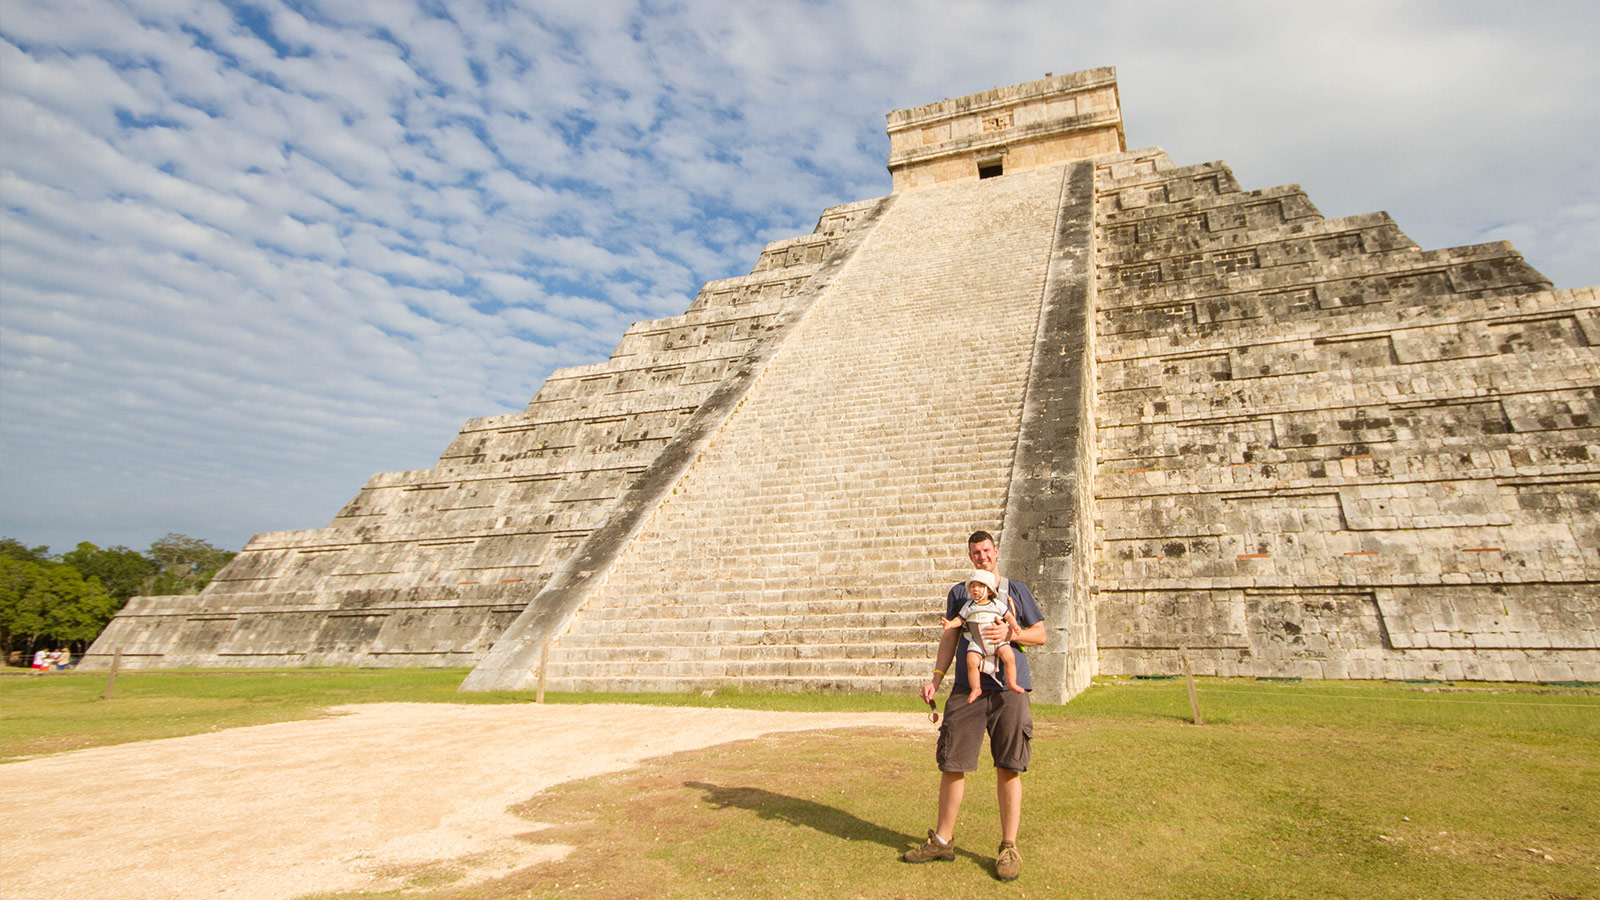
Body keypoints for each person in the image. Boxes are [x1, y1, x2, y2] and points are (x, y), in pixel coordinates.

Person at [903, 530, 1045, 882]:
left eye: (986, 551)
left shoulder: (1015, 591)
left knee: (1009, 765)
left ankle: (1009, 846)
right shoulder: (960, 593)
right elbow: (950, 637)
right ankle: (942, 840)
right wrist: (936, 678)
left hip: (1009, 691)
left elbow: (1040, 634)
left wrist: (1012, 635)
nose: (982, 557)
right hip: (969, 687)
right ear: (970, 557)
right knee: (952, 762)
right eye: (975, 553)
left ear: (995, 552)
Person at [942, 569, 1025, 702]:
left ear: (989, 590)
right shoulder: (969, 606)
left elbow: (1008, 616)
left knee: (1009, 656)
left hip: (996, 640)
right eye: (973, 586)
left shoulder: (996, 604)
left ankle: (1011, 682)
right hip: (978, 642)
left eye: (980, 586)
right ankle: (976, 687)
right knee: (971, 661)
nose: (976, 589)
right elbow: (960, 619)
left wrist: (1015, 627)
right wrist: (950, 624)